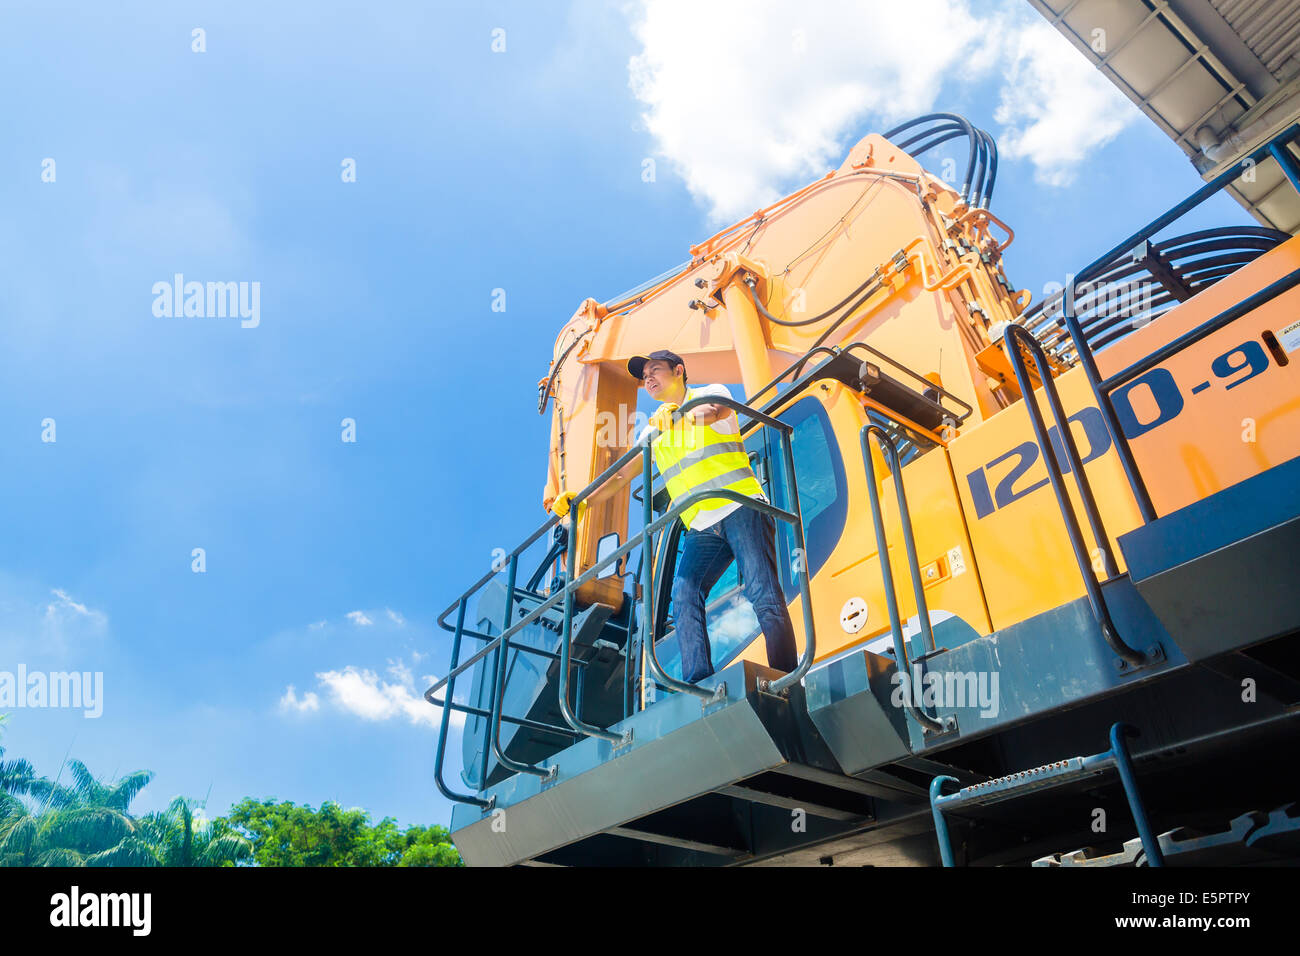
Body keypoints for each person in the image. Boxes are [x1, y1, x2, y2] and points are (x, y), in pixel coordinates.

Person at [625, 349, 799, 683]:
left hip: (741, 506)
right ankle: (699, 682)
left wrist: (680, 416)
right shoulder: (652, 432)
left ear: (679, 370)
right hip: (702, 527)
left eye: (655, 370)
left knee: (761, 589)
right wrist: (579, 503)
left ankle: (786, 677)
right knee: (684, 594)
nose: (648, 379)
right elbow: (621, 477)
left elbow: (712, 412)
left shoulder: (711, 392)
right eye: (643, 376)